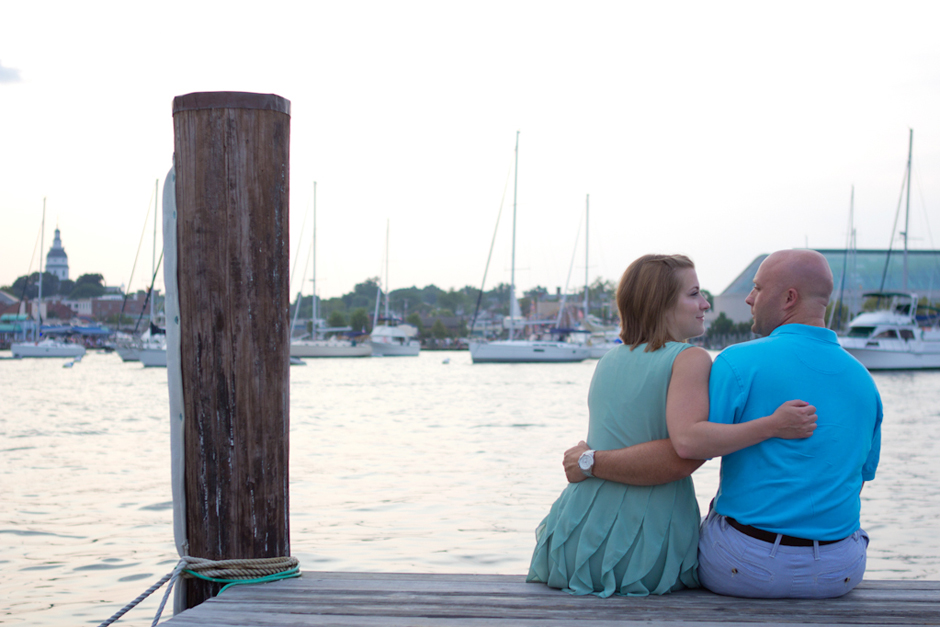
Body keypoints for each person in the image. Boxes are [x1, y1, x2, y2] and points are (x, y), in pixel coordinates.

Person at [563, 249, 882, 599]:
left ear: (789, 298)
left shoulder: (736, 362)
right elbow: (859, 478)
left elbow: (688, 448)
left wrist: (589, 460)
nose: (749, 297)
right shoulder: (865, 381)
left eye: (758, 289)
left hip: (743, 566)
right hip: (840, 571)